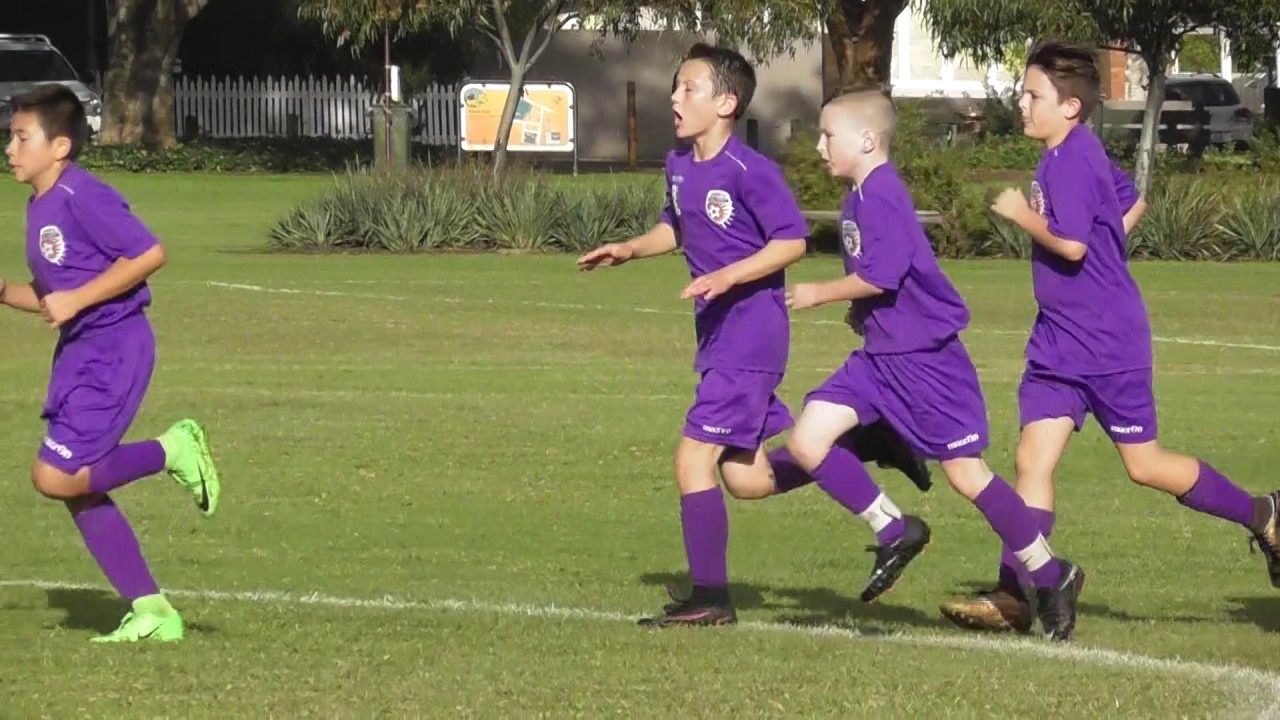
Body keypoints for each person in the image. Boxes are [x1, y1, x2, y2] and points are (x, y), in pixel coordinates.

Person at [941, 41, 1279, 634]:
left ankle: (1264, 515)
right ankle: (1019, 589)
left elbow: (1071, 245)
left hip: (1107, 342)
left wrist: (1023, 217)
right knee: (1031, 458)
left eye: (1033, 95)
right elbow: (1131, 204)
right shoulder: (1069, 153)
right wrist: (1104, 244)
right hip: (1057, 343)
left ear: (1070, 107)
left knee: (1144, 465)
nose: (1021, 104)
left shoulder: (1071, 159)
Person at [786, 88, 1084, 639]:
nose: (820, 145)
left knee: (968, 476)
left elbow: (883, 275)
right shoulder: (857, 197)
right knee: (805, 442)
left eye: (829, 135)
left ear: (867, 140)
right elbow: (883, 284)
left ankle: (1050, 573)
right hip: (879, 362)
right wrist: (861, 312)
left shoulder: (884, 195)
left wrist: (820, 293)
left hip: (927, 365)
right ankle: (894, 528)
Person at [1, 84, 222, 643]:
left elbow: (150, 253)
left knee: (54, 475)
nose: (10, 148)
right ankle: (152, 611)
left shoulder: (80, 194)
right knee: (74, 485)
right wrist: (6, 292)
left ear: (60, 146)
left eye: (22, 137)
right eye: (10, 136)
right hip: (79, 354)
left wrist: (77, 301)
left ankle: (171, 449)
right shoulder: (41, 204)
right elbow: (53, 293)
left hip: (114, 350)